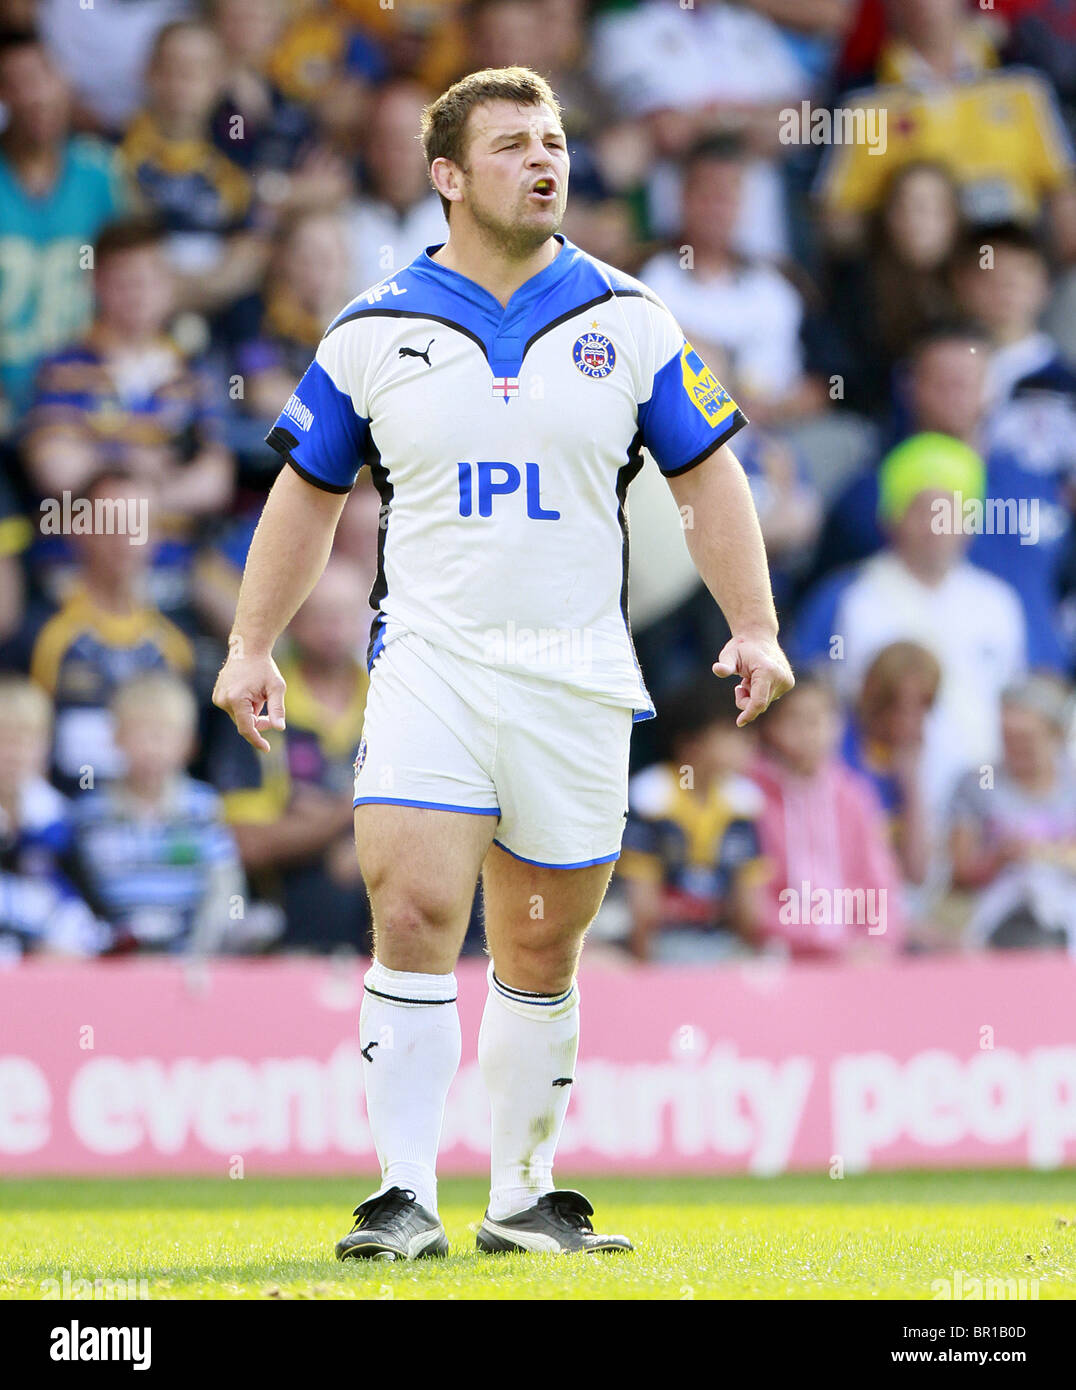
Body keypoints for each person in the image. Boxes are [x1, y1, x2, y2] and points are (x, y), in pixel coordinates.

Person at [212, 65, 794, 1261]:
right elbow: (306, 495)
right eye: (513, 144)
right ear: (445, 173)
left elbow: (706, 476)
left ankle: (524, 1191)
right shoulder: (372, 329)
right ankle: (401, 1193)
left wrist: (754, 623)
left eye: (553, 143)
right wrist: (248, 644)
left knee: (537, 942)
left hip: (576, 675)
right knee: (413, 908)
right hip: (431, 661)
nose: (543, 162)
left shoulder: (629, 318)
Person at [0, 28, 127, 423]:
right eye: (18, 84)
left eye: (44, 77)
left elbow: (136, 277)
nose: (36, 96)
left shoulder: (102, 170)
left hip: (87, 392)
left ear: (66, 80)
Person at [72, 671, 246, 954]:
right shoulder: (90, 811)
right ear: (116, 737)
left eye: (164, 736)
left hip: (188, 952)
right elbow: (82, 891)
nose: (153, 748)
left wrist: (202, 950)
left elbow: (224, 886)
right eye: (141, 735)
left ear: (189, 744)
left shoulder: (203, 807)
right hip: (110, 955)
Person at [752, 674, 905, 960]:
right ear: (770, 727)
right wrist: (822, 942)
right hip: (777, 953)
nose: (808, 733)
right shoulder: (752, 797)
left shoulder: (854, 796)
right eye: (795, 720)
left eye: (818, 719)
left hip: (853, 954)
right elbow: (753, 900)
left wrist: (878, 943)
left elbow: (879, 881)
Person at [617, 678, 768, 964]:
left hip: (721, 945)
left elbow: (750, 910)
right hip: (662, 944)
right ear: (690, 743)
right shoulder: (651, 800)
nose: (748, 744)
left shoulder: (743, 804)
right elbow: (642, 909)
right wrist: (645, 972)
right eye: (732, 733)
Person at [948, 675, 1076, 950]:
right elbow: (959, 874)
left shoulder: (1072, 782)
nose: (1015, 748)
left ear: (1055, 734)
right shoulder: (980, 781)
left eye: (1026, 739)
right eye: (1008, 738)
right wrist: (998, 859)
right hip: (999, 918)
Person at [0, 676, 108, 960]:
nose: (13, 754)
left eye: (25, 741)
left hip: (47, 960)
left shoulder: (61, 818)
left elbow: (85, 904)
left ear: (46, 748)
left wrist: (66, 944)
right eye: (4, 740)